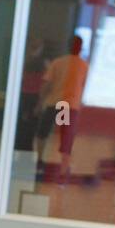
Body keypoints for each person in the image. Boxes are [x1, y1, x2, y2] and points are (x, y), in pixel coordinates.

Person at [34, 35, 88, 184]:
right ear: (80, 47)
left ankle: (40, 160)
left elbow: (47, 85)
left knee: (43, 134)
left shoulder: (58, 63)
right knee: (65, 138)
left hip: (55, 103)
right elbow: (83, 86)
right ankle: (63, 170)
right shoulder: (84, 65)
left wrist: (40, 103)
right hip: (69, 106)